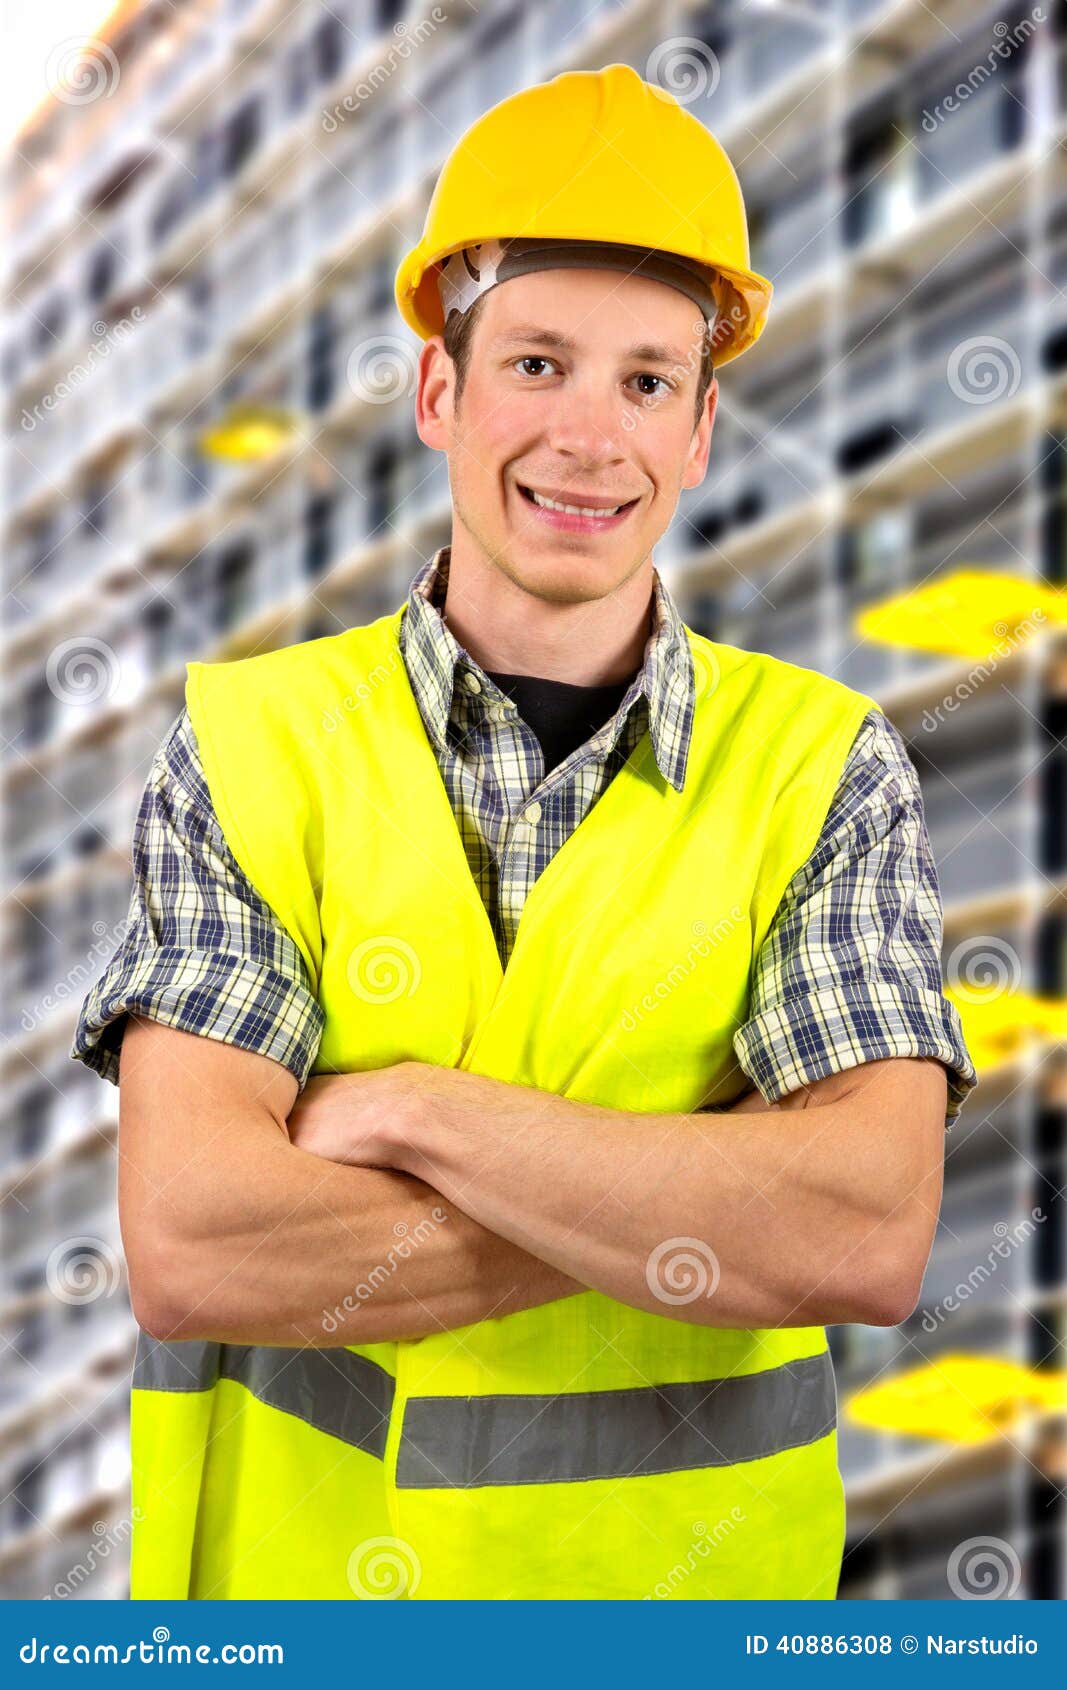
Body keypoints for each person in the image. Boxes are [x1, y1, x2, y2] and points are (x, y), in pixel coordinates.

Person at [72, 63, 976, 1601]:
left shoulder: (824, 769)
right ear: (440, 393)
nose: (588, 436)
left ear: (700, 432)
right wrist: (713, 1186)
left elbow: (868, 1234)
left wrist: (416, 1110)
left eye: (644, 381)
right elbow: (197, 1241)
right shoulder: (251, 746)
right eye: (539, 363)